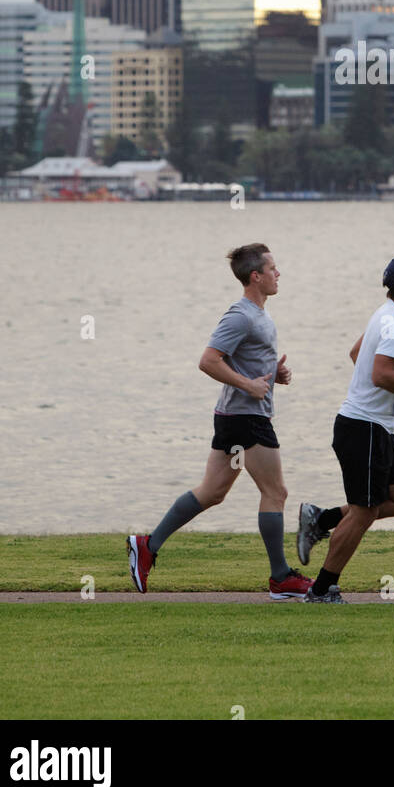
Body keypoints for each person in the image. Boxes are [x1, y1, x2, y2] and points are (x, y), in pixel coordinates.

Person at [127, 243, 313, 601]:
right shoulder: (240, 315)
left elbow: (244, 362)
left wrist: (274, 376)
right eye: (273, 268)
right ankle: (280, 579)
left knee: (212, 492)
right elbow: (208, 360)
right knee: (275, 493)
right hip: (247, 419)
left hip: (234, 417)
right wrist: (249, 385)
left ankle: (147, 545)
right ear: (255, 276)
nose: (279, 273)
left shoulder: (260, 314)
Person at [297, 254, 394, 604]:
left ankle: (322, 519)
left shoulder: (386, 316)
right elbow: (380, 374)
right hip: (363, 429)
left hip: (372, 427)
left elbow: (357, 354)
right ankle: (322, 590)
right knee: (363, 512)